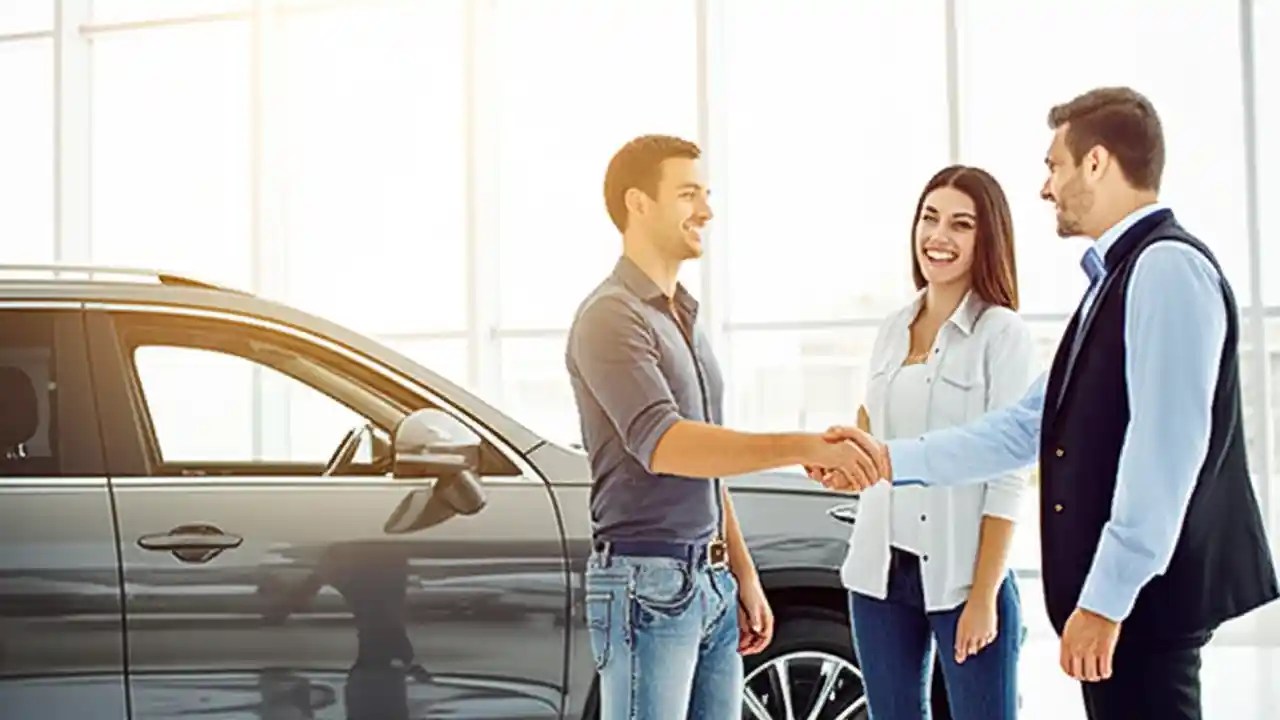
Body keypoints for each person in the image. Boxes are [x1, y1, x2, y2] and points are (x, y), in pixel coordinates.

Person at [816, 87, 1280, 720]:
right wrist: (886, 460)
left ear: (1096, 163)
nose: (1045, 187)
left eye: (1054, 165)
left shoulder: (1166, 269)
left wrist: (1107, 599)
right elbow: (1019, 429)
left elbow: (1163, 457)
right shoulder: (1114, 281)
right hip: (1129, 606)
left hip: (1145, 605)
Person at [566, 134, 879, 720]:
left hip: (707, 583)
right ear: (638, 204)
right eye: (688, 194)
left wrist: (741, 573)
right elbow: (666, 444)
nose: (706, 212)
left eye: (706, 195)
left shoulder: (681, 317)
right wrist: (806, 445)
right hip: (646, 583)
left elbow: (709, 462)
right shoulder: (610, 317)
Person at [835, 165, 1031, 719]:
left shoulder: (1002, 335)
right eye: (930, 218)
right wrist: (838, 457)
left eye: (960, 224)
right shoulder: (891, 327)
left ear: (986, 238)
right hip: (878, 574)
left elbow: (1009, 473)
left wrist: (984, 594)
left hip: (963, 576)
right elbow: (873, 430)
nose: (938, 236)